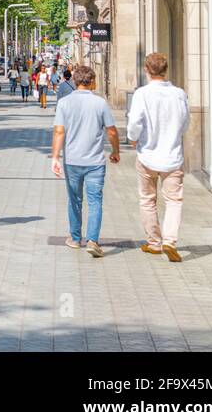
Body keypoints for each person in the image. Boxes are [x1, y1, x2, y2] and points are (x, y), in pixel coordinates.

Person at [51, 65, 119, 257]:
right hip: (95, 161)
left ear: (74, 81)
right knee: (95, 200)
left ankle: (74, 238)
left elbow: (59, 131)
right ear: (93, 82)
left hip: (72, 160)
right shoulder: (100, 103)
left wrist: (55, 157)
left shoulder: (64, 103)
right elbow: (112, 131)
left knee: (74, 200)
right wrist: (115, 151)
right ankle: (92, 240)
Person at [127, 52, 189, 262]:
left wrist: (133, 139)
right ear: (166, 70)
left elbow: (134, 122)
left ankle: (154, 242)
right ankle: (170, 241)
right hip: (172, 155)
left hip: (147, 156)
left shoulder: (142, 94)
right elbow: (185, 122)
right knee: (174, 201)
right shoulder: (179, 94)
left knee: (147, 200)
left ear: (146, 70)